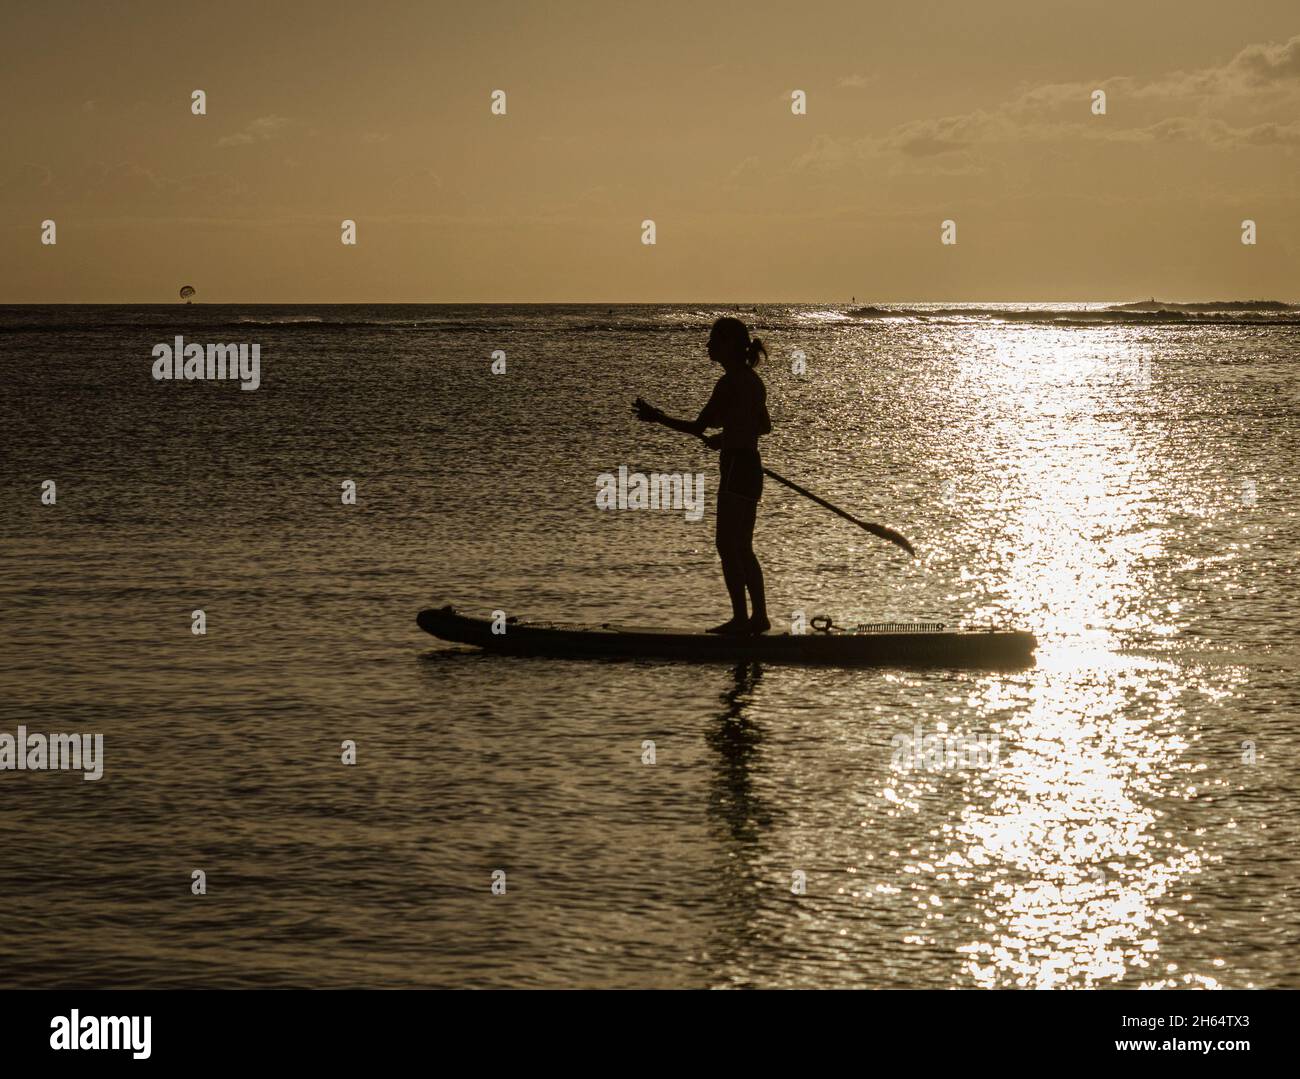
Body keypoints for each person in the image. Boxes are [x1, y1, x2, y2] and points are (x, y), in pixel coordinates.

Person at [632, 317, 772, 635]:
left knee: (727, 545)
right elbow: (762, 427)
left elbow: (697, 427)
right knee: (743, 547)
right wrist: (728, 437)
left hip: (737, 468)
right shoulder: (753, 381)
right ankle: (759, 617)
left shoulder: (729, 383)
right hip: (751, 466)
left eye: (714, 340)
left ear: (729, 346)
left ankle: (741, 619)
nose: (708, 346)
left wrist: (658, 418)